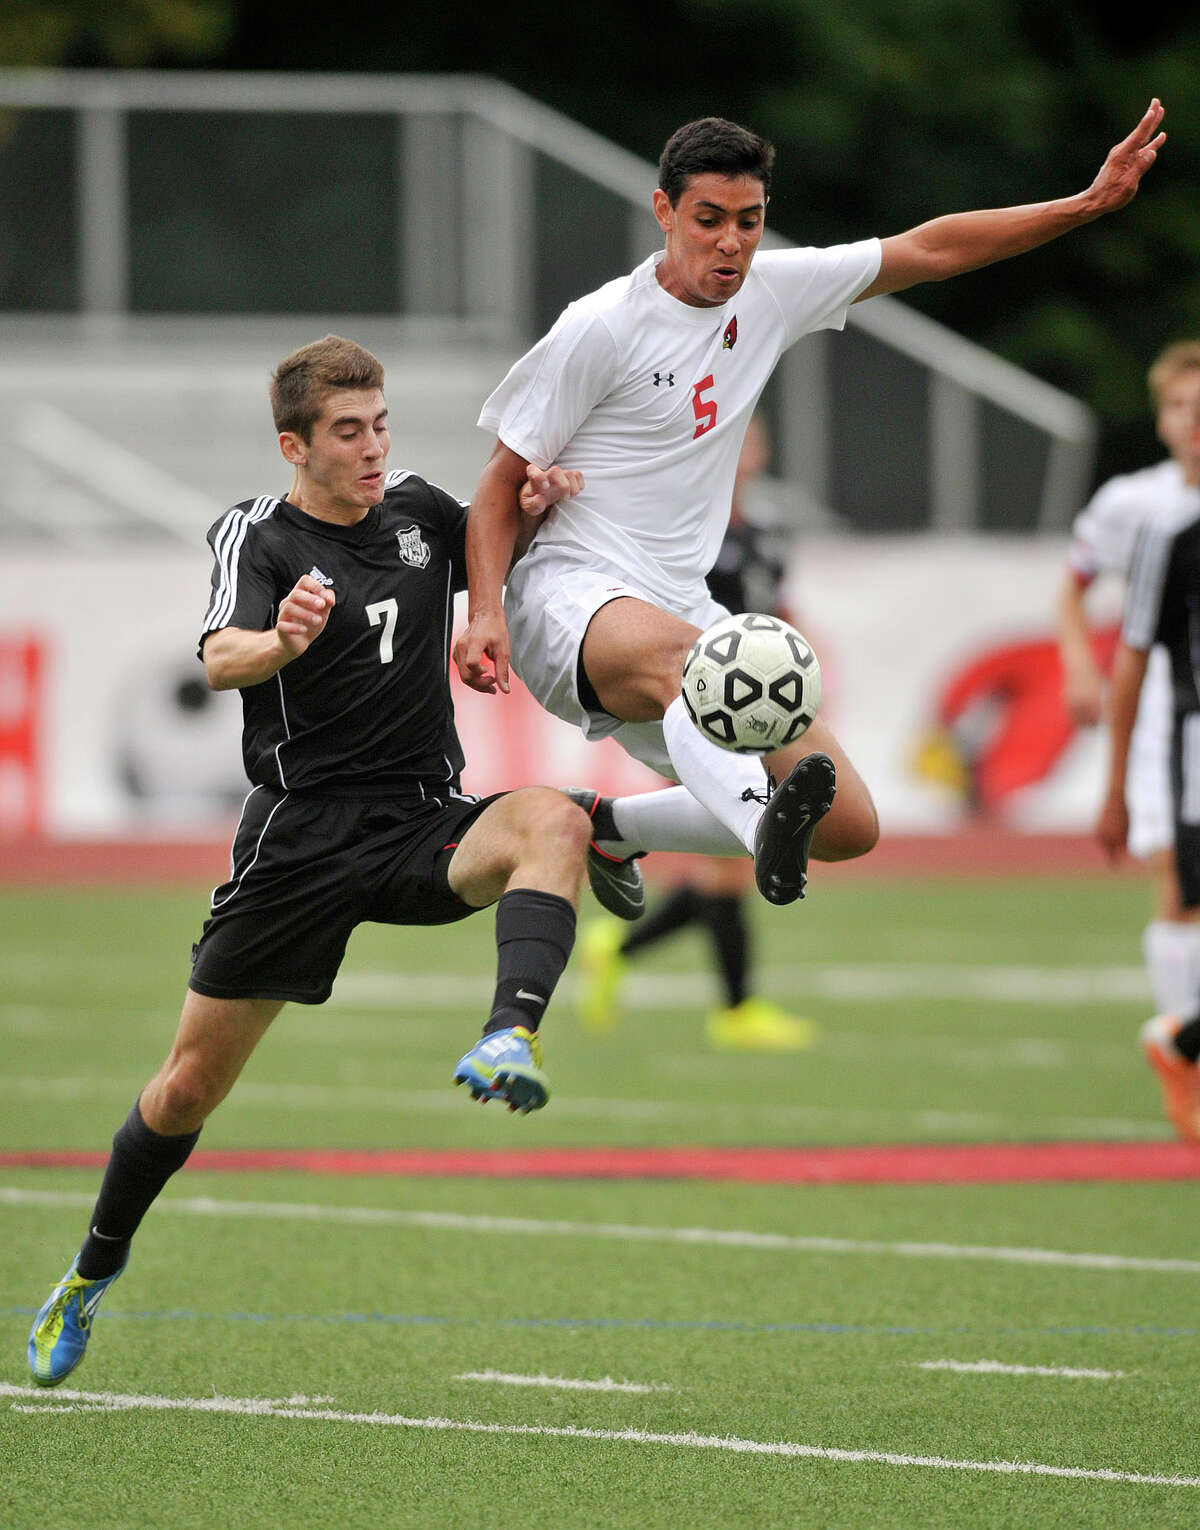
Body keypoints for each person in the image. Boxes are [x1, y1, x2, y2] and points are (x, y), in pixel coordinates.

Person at [26, 334, 606, 1389]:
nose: (375, 446)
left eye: (381, 423)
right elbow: (218, 658)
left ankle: (509, 1038)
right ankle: (90, 1270)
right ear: (295, 444)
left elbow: (502, 537)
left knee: (554, 822)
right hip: (299, 841)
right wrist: (282, 643)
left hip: (421, 820)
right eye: (349, 431)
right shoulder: (258, 536)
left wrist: (545, 502)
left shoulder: (423, 514)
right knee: (188, 1088)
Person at [453, 106, 1166, 909]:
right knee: (693, 673)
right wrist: (486, 613)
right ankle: (762, 830)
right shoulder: (602, 327)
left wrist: (1081, 205)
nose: (731, 242)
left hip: (680, 612)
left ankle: (609, 826)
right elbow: (497, 479)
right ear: (664, 212)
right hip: (571, 600)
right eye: (709, 219)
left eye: (749, 221)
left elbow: (930, 250)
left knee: (847, 826)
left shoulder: (773, 292)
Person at [579, 414, 818, 1051]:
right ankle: (736, 1010)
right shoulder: (689, 531)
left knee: (735, 861)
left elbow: (781, 618)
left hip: (762, 715)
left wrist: (799, 698)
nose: (753, 450)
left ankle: (622, 950)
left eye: (759, 438)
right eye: (743, 438)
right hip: (700, 711)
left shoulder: (765, 532)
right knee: (740, 859)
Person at [1057, 343, 1200, 1028]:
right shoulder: (1135, 503)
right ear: (1160, 417)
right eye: (1178, 406)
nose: (1192, 420)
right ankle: (1180, 1046)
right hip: (1168, 728)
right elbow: (1073, 587)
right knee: (1175, 871)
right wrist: (1080, 664)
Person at [1095, 380, 1200, 1139]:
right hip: (1195, 742)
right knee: (1181, 898)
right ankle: (1183, 1044)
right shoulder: (1167, 530)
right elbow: (1132, 659)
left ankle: (1183, 1040)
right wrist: (1115, 784)